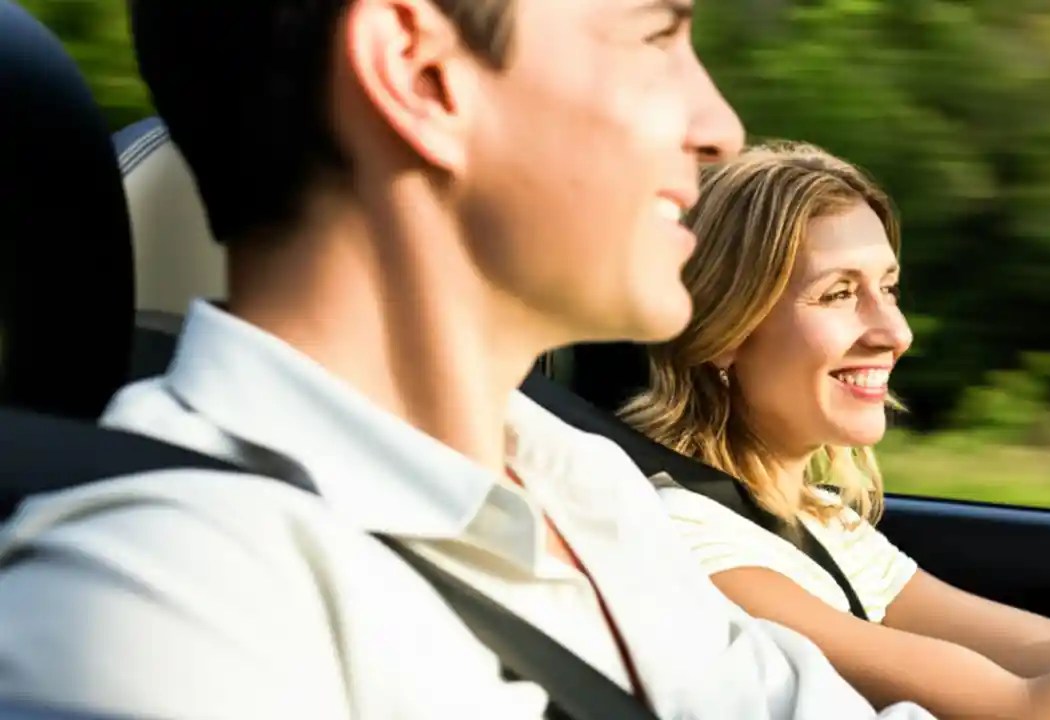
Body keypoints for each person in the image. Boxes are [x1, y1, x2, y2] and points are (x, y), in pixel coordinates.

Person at [0, 4, 933, 720]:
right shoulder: (163, 604)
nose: (719, 125)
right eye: (656, 37)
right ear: (421, 74)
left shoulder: (586, 485)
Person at [623, 140, 1050, 719]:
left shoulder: (816, 519)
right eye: (839, 293)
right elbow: (1027, 712)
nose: (895, 333)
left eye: (889, 288)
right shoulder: (695, 541)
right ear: (727, 331)